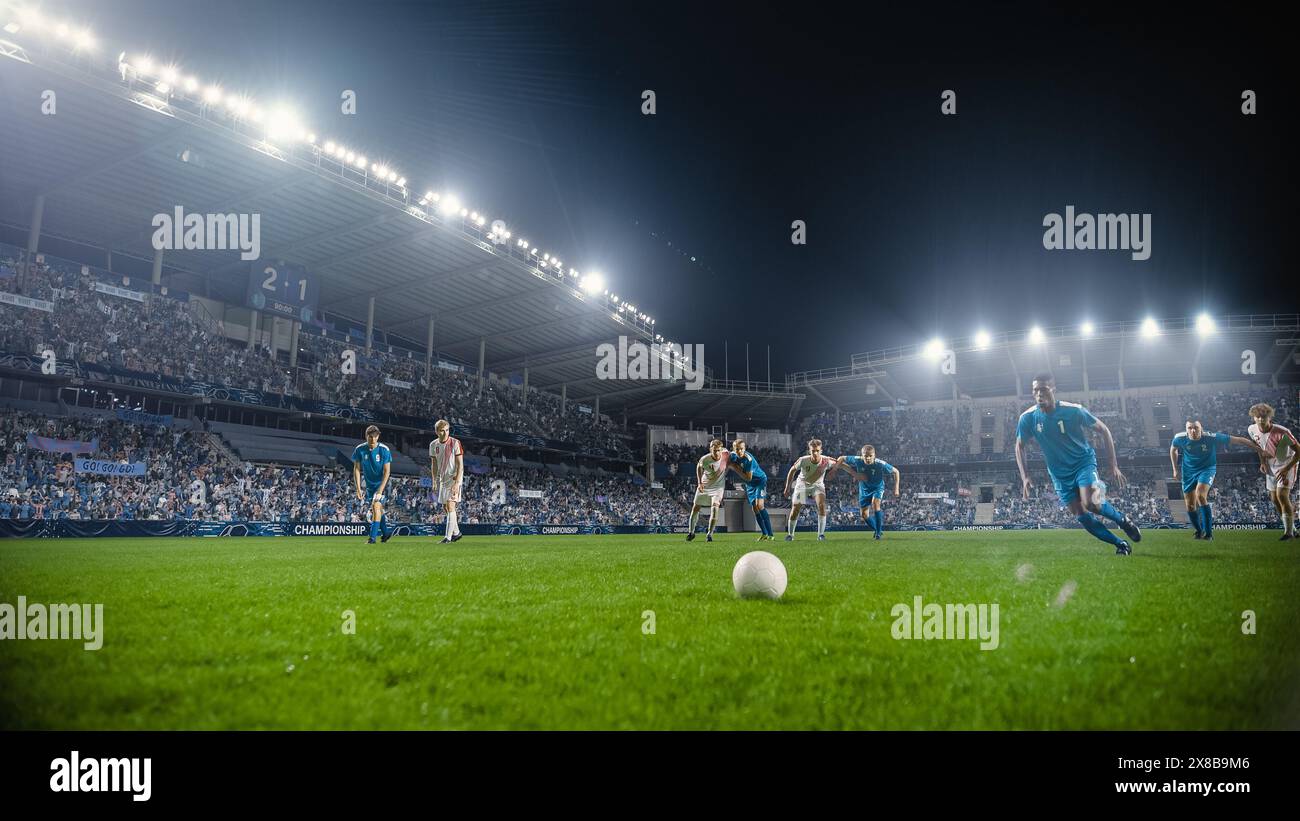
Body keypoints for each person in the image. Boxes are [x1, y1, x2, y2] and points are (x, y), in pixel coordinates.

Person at [1014, 373, 1141, 555]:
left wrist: (1113, 465)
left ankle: (1123, 520)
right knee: (1081, 516)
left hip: (1083, 464)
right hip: (1059, 474)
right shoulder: (1027, 418)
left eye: (1044, 389)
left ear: (1053, 389)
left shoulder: (1073, 410)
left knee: (1092, 504)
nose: (1039, 394)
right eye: (1036, 391)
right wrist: (1025, 477)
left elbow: (1104, 430)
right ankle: (1120, 544)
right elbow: (1019, 446)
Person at [1169, 419, 1263, 540]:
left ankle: (1208, 534)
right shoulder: (1179, 438)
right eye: (1190, 428)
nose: (1193, 430)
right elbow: (1173, 450)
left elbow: (1239, 440)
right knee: (1190, 506)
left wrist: (1261, 450)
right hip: (1188, 472)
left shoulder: (1211, 437)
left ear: (1201, 428)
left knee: (1200, 496)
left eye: (1196, 428)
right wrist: (1175, 469)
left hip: (1207, 469)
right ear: (1186, 429)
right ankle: (1198, 531)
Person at [838, 444, 899, 540]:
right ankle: (877, 529)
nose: (868, 458)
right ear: (862, 455)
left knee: (875, 504)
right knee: (864, 515)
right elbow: (841, 458)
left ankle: (878, 534)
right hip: (864, 490)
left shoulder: (880, 464)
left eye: (870, 456)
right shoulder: (857, 460)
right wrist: (834, 469)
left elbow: (896, 471)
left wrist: (896, 488)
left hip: (877, 488)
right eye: (866, 456)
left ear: (874, 455)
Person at [351, 425, 393, 544]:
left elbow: (387, 472)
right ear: (366, 436)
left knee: (375, 507)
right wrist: (358, 488)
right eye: (371, 437)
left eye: (376, 437)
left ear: (378, 436)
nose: (373, 439)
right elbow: (357, 469)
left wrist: (380, 489)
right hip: (370, 486)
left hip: (383, 484)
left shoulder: (384, 449)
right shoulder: (360, 449)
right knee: (378, 508)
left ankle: (372, 538)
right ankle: (386, 533)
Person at [429, 419, 465, 544]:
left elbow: (460, 465)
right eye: (442, 431)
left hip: (454, 477)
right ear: (436, 432)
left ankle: (448, 538)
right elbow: (434, 464)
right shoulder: (433, 445)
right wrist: (434, 480)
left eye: (447, 430)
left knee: (450, 505)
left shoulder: (455, 443)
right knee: (445, 507)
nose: (445, 433)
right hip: (442, 479)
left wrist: (456, 483)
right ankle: (456, 533)